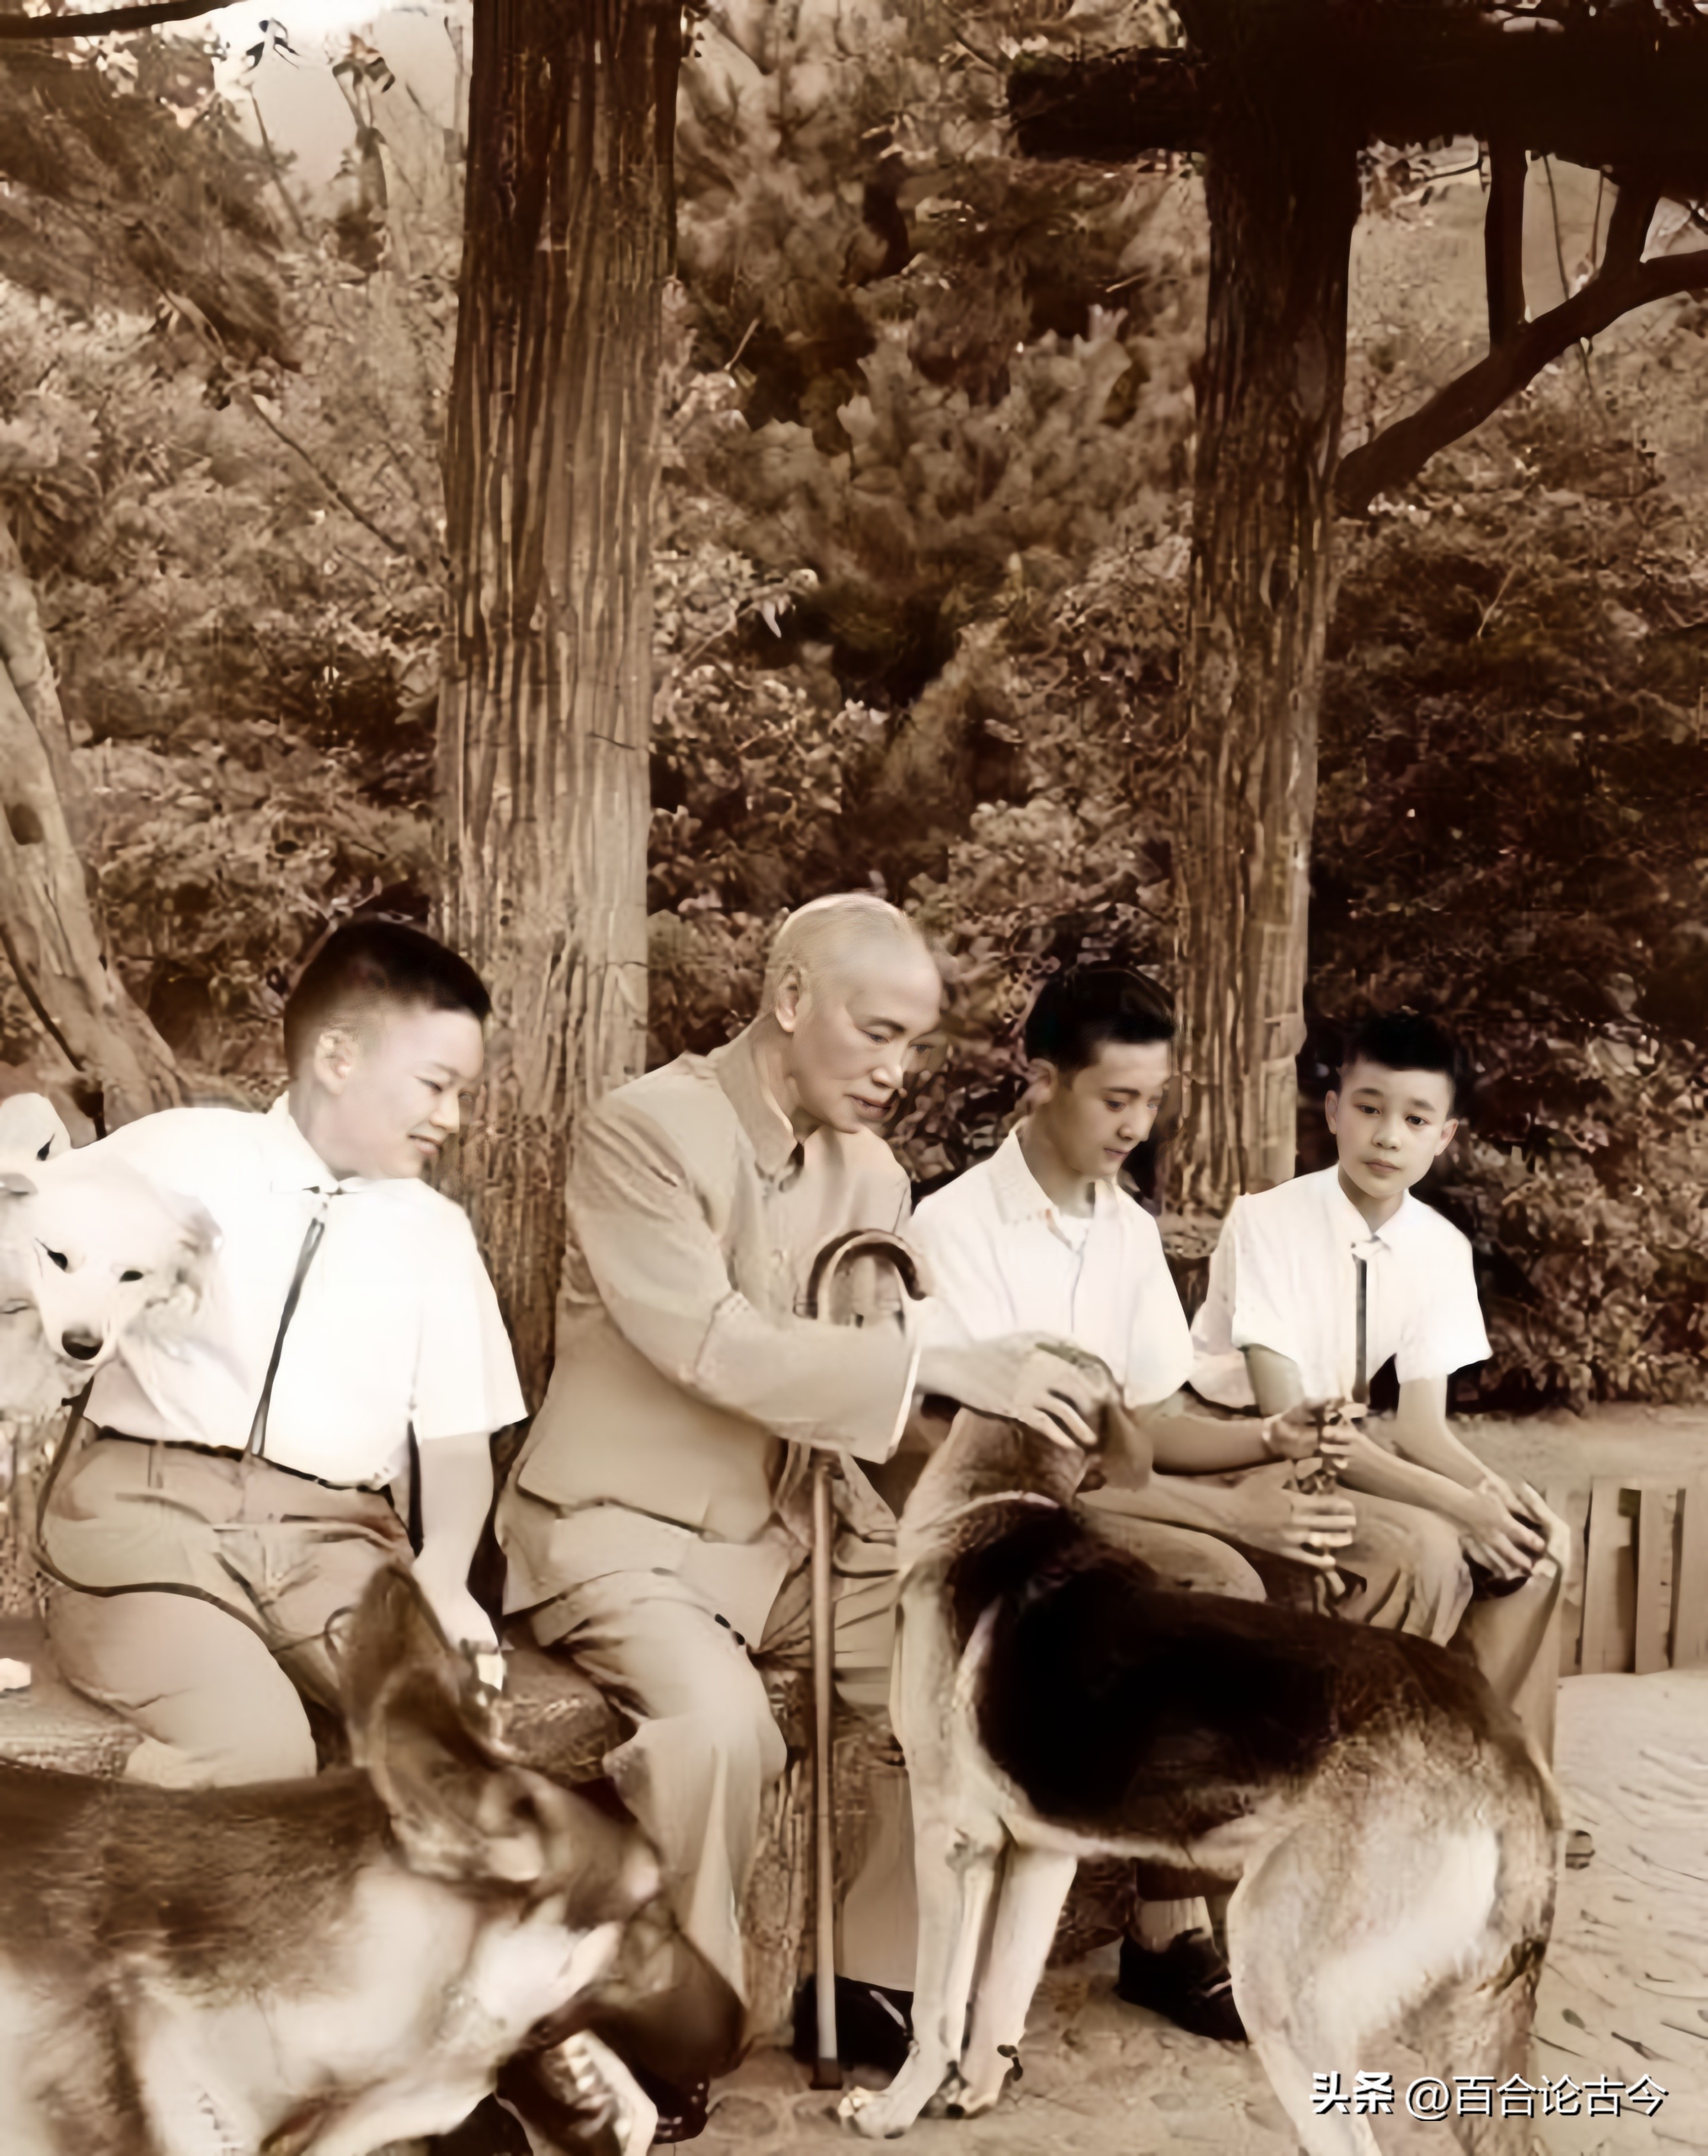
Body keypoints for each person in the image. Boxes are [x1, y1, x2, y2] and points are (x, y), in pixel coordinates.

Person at [496, 893, 1112, 2137]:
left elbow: (870, 1398)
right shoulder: (645, 1131)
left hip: (792, 1537)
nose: (896, 1071)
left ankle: (878, 1974)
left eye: (916, 1045)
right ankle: (680, 2027)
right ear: (788, 999)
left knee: (964, 1671)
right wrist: (944, 1359)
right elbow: (711, 1343)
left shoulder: (869, 1170)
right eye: (876, 1032)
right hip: (623, 1531)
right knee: (717, 1730)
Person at [909, 964, 1358, 2048]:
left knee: (1329, 1559)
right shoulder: (954, 1224)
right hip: (1012, 1523)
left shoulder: (1121, 1228)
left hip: (1101, 1494)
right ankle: (1166, 1928)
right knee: (1218, 1577)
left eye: (1152, 1101)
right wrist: (1233, 1513)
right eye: (1117, 1099)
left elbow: (1149, 1419)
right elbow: (1021, 1452)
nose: (1136, 1124)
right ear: (1042, 1078)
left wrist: (1266, 1439)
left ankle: (1293, 1894)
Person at [38, 919, 525, 1788]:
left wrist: (444, 1579)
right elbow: (28, 1232)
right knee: (252, 1748)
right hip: (150, 1522)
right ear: (340, 1058)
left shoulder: (436, 1236)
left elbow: (455, 1447)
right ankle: (124, 1918)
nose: (451, 1118)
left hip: (334, 1540)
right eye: (435, 1085)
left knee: (453, 1758)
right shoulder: (176, 1154)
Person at [1189, 1009, 1569, 1762]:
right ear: (1333, 1112)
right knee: (1429, 1544)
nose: (1387, 1136)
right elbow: (1290, 1422)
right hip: (1240, 1444)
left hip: (1341, 1451)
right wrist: (1460, 1506)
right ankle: (1359, 1766)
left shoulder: (1439, 1248)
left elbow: (1422, 1432)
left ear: (1444, 1136)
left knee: (1537, 1552)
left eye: (1414, 1118)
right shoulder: (1267, 1222)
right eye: (1368, 1109)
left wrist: (1500, 1498)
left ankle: (1476, 1765)